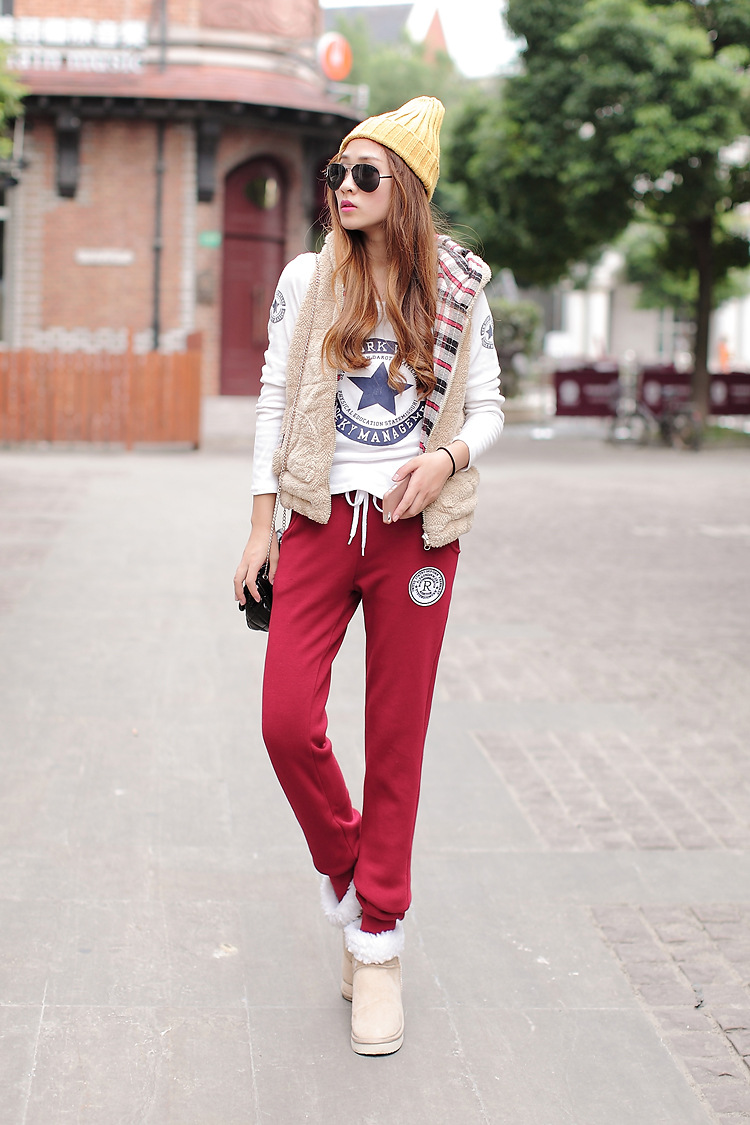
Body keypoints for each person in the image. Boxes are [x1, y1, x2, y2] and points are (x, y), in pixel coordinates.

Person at [233, 96, 504, 1056]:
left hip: (413, 536)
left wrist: (448, 458)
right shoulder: (309, 278)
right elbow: (273, 396)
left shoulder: (456, 288)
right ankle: (353, 875)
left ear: (407, 189)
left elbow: (490, 406)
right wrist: (260, 525)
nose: (341, 189)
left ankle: (378, 945)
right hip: (317, 521)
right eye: (335, 173)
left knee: (397, 735)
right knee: (285, 720)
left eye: (363, 174)